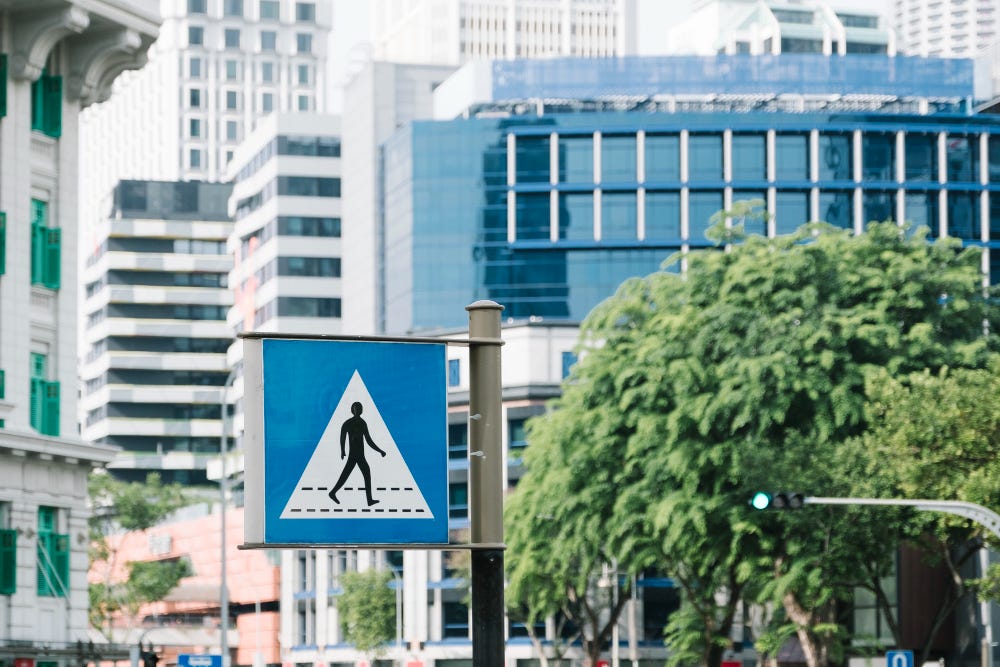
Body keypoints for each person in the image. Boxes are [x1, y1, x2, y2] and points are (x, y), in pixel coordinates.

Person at [329, 401, 386, 506]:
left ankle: (369, 500)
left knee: (364, 474)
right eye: (355, 408)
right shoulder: (347, 423)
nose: (357, 410)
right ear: (352, 410)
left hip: (360, 455)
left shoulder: (363, 423)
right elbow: (342, 438)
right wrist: (342, 450)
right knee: (346, 475)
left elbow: (369, 440)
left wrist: (380, 450)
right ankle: (333, 492)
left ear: (361, 410)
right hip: (353, 455)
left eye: (359, 408)